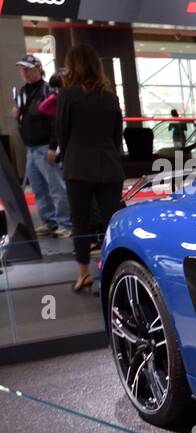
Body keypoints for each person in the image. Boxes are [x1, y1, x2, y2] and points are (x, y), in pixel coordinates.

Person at [55, 44, 125, 291]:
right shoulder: (111, 96)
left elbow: (62, 133)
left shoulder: (67, 95)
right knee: (112, 222)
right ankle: (114, 269)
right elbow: (118, 135)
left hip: (78, 167)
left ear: (73, 66)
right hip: (109, 166)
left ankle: (83, 273)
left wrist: (67, 153)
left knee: (80, 222)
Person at [13, 54, 71, 237]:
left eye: (28, 68)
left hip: (45, 146)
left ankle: (66, 223)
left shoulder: (47, 90)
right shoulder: (23, 92)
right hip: (30, 147)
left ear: (38, 69)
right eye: (22, 69)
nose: (24, 72)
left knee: (56, 187)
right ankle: (50, 221)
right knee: (39, 189)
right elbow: (22, 116)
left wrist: (53, 146)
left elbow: (55, 120)